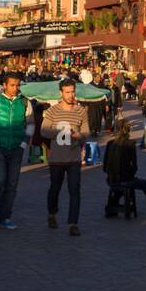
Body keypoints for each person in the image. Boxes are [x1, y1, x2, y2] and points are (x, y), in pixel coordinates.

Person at [42, 77, 90, 235]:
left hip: (74, 158)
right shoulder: (52, 111)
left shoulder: (81, 111)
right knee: (55, 189)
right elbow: (43, 131)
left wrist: (79, 136)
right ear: (61, 92)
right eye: (67, 92)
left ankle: (73, 224)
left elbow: (87, 132)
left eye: (72, 92)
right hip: (56, 159)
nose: (70, 95)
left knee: (74, 190)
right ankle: (51, 213)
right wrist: (60, 131)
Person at [0, 71, 30, 229]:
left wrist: (24, 142)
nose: (15, 88)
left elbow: (31, 123)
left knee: (12, 183)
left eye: (18, 85)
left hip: (16, 148)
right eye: (12, 85)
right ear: (4, 85)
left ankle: (6, 216)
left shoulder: (25, 102)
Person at [104, 119, 146, 215]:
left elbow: (105, 166)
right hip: (124, 178)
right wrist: (130, 175)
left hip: (111, 179)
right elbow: (134, 166)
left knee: (122, 184)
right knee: (144, 184)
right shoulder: (130, 144)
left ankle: (113, 205)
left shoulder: (110, 143)